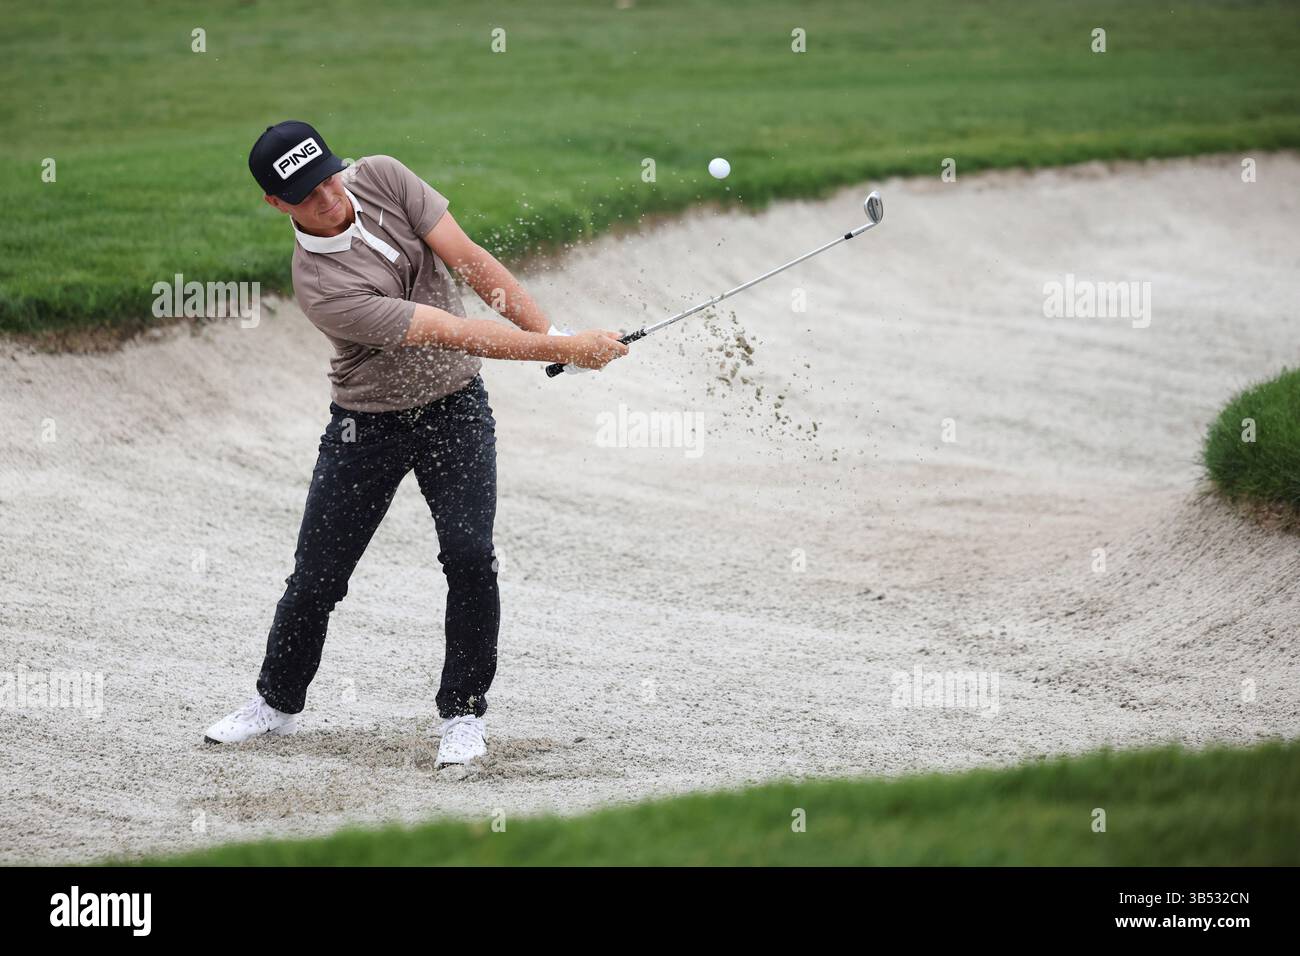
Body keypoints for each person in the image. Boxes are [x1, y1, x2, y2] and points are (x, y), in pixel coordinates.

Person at [203, 121, 626, 767]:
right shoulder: (322, 286)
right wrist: (564, 348)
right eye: (306, 193)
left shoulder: (382, 176)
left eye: (327, 176)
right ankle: (277, 703)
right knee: (317, 578)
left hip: (455, 410)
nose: (328, 196)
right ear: (277, 203)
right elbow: (451, 330)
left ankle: (462, 714)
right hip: (365, 425)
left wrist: (548, 332)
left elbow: (469, 259)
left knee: (470, 555)